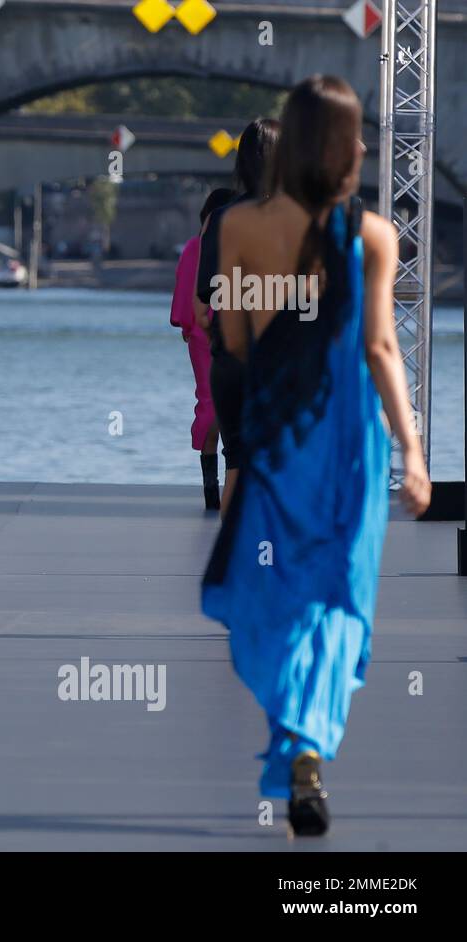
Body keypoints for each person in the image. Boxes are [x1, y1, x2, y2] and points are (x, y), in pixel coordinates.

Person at [201, 75, 430, 836]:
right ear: (338, 144)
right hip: (347, 441)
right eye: (358, 134)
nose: (366, 145)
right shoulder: (371, 235)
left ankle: (292, 728)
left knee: (282, 587)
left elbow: (232, 336)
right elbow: (380, 347)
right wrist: (415, 452)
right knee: (341, 591)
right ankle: (308, 745)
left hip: (274, 432)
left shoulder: (237, 225)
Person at [195, 118, 280, 514]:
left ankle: (234, 565)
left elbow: (204, 300)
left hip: (229, 363)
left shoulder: (222, 219)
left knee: (237, 465)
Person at [171, 187, 235, 509]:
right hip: (204, 335)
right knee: (212, 404)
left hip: (220, 332)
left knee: (220, 405)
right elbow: (187, 290)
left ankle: (221, 483)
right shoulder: (198, 247)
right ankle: (214, 487)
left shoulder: (227, 246)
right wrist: (189, 324)